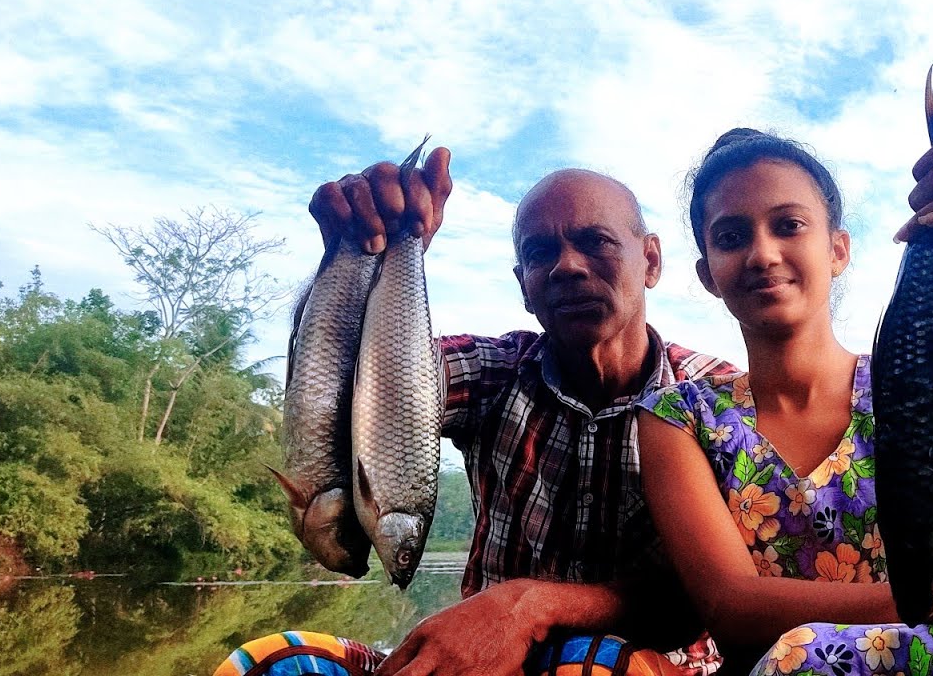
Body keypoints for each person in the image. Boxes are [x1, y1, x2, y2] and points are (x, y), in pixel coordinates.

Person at [215, 146, 738, 676]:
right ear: (524, 289)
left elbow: (718, 590)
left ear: (650, 260)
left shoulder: (720, 400)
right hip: (482, 664)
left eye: (594, 242)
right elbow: (342, 379)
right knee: (267, 665)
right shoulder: (494, 371)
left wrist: (530, 608)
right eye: (540, 253)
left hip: (650, 667)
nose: (567, 267)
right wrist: (357, 252)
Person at [634, 128, 933, 676]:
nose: (762, 253)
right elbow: (732, 606)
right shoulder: (679, 416)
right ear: (708, 273)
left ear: (838, 249)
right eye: (732, 236)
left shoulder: (911, 384)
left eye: (789, 225)